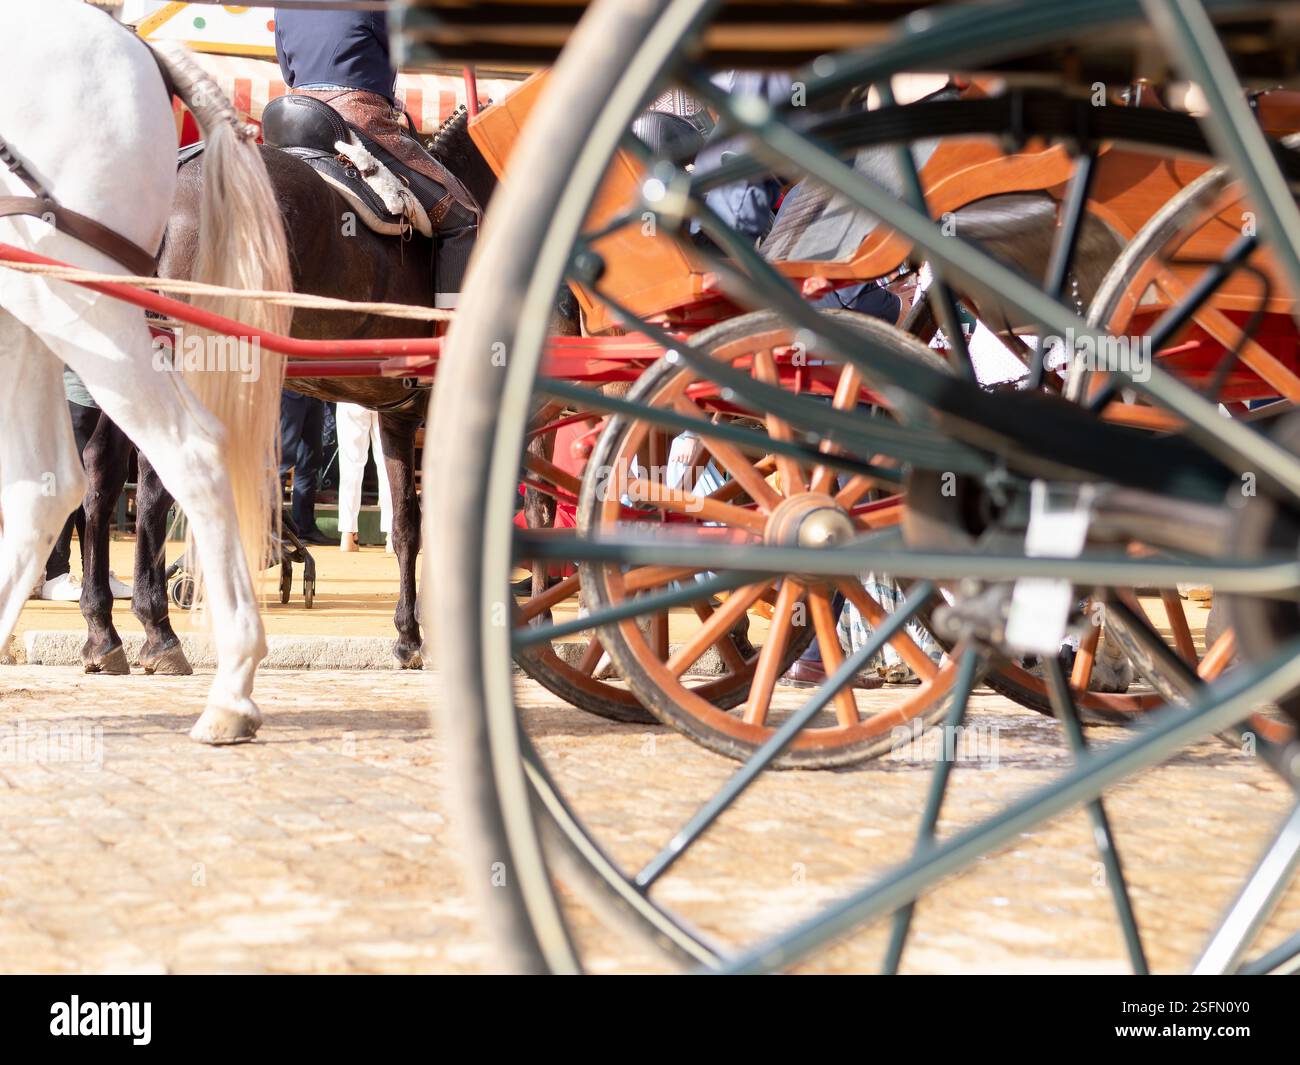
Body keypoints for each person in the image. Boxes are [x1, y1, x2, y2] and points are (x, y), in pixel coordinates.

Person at [273, 6, 479, 306]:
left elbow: (288, 70)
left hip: (294, 120)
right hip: (356, 120)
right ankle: (451, 341)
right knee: (463, 217)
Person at [37, 370, 132, 602]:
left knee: (98, 489)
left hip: (108, 397)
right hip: (76, 394)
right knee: (70, 483)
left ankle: (95, 575)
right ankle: (55, 575)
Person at [334, 402, 392, 553]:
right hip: (385, 393)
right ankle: (393, 533)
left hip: (350, 393)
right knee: (389, 463)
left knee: (350, 465)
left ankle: (348, 533)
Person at [279, 388, 331, 545]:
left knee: (310, 461)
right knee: (281, 461)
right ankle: (272, 527)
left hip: (315, 393)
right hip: (289, 392)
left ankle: (305, 527)